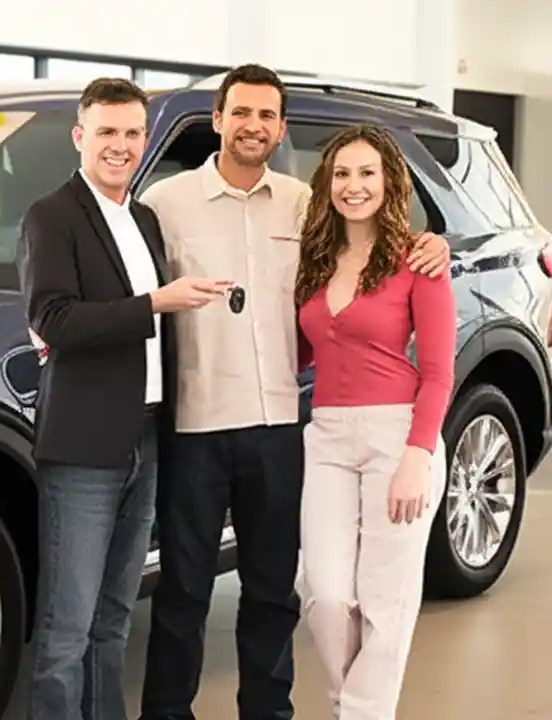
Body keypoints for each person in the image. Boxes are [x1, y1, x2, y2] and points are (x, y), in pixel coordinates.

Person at [136, 64, 451, 720]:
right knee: (189, 589)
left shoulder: (306, 206)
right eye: (240, 112)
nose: (253, 126)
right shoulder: (165, 206)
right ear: (217, 120)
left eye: (266, 116)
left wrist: (435, 244)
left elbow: (370, 261)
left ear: (280, 129)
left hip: (283, 426)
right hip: (199, 421)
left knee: (275, 591)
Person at [16, 76, 230, 720]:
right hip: (84, 446)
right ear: (81, 137)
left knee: (113, 619)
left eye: (133, 133)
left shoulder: (141, 219)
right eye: (107, 131)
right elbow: (54, 320)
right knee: (65, 629)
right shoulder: (51, 216)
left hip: (145, 438)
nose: (121, 145)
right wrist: (155, 304)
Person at [293, 124, 454, 719]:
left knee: (387, 601)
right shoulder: (314, 260)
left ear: (389, 182)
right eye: (341, 173)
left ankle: (362, 714)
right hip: (328, 436)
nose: (353, 186)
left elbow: (438, 372)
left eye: (366, 173)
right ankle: (351, 704)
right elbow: (303, 353)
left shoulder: (419, 260)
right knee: (327, 596)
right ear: (326, 183)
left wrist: (418, 456)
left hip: (397, 438)